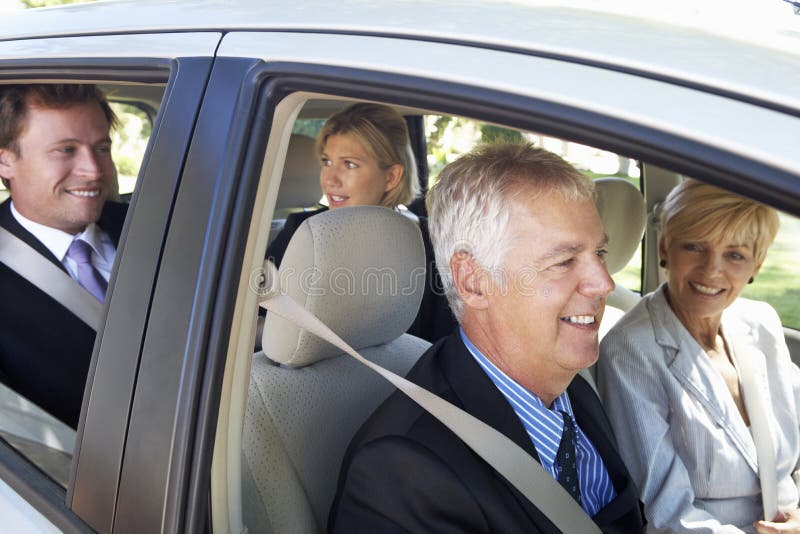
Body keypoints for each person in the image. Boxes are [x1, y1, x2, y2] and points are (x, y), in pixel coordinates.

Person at [328, 143, 646, 532]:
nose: (605, 282)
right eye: (564, 261)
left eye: (600, 252)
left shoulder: (573, 391)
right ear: (473, 282)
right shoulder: (402, 474)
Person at [597, 180, 800, 533]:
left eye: (735, 254)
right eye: (694, 247)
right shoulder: (630, 351)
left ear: (757, 264)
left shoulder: (761, 323)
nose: (711, 271)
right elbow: (670, 513)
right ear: (665, 248)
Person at [266, 102, 456, 342]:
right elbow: (257, 315)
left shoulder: (434, 242)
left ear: (391, 177)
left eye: (350, 164)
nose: (330, 179)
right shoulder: (303, 232)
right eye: (326, 161)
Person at [0, 84, 127, 429]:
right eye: (65, 150)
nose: (94, 170)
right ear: (5, 160)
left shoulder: (158, 227)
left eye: (101, 148)